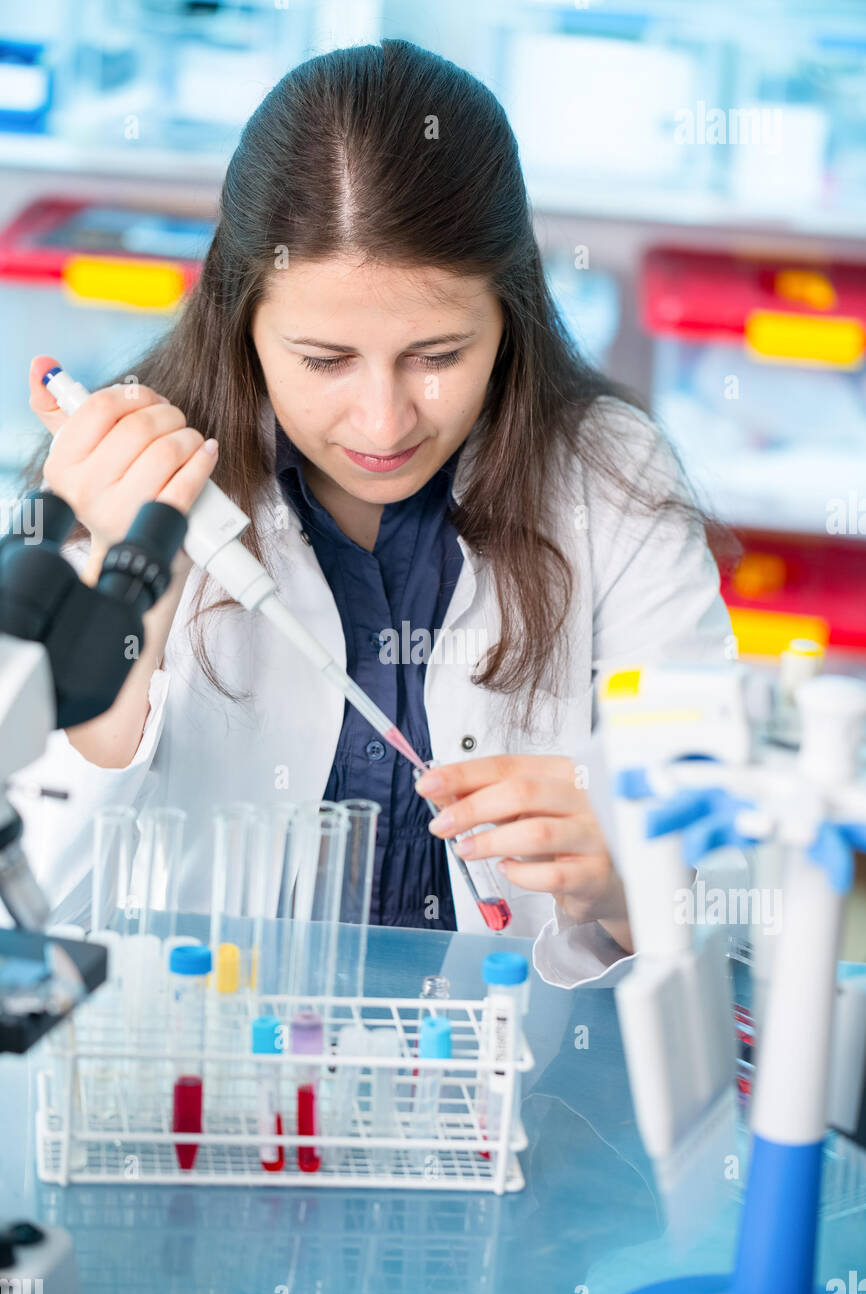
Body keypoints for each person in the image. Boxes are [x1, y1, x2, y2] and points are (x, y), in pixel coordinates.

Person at [17, 40, 733, 986]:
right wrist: (126, 606)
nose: (384, 420)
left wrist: (623, 881)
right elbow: (30, 910)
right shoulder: (121, 477)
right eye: (324, 360)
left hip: (512, 1088)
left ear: (510, 316)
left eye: (437, 354)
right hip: (201, 1079)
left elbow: (727, 907)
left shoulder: (614, 478)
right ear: (240, 316)